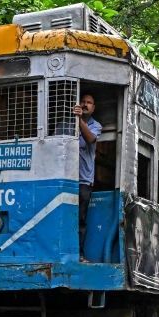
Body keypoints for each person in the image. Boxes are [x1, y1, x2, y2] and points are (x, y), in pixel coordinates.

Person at [73, 93, 102, 261]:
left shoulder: (96, 126)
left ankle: (79, 254)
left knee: (80, 219)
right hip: (64, 178)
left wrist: (79, 120)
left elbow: (90, 139)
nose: (85, 105)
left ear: (93, 107)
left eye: (89, 103)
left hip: (84, 180)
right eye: (82, 102)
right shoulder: (66, 123)